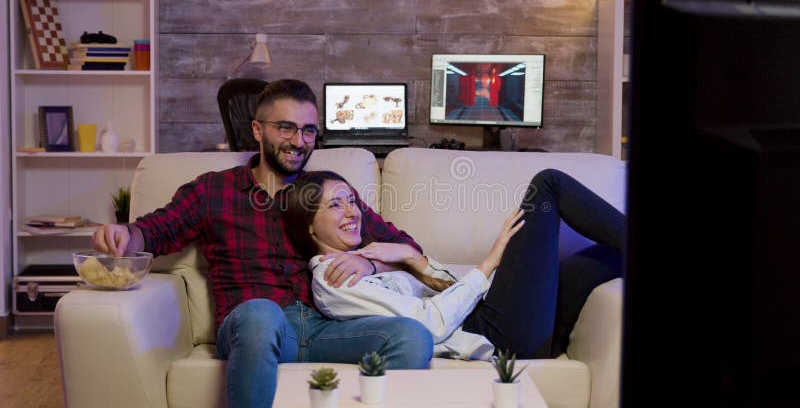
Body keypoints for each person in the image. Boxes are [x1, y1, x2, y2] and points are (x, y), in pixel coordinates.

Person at [90, 79, 433, 408]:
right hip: (252, 326)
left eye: (308, 130)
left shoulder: (326, 192)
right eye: (286, 127)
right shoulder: (213, 190)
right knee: (261, 314)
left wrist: (369, 262)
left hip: (326, 329)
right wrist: (124, 233)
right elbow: (155, 230)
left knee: (413, 338)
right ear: (257, 130)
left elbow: (406, 249)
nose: (299, 141)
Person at [282, 168, 625, 360]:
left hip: (497, 318)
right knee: (548, 184)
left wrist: (409, 258)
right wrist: (491, 260)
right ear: (309, 225)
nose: (351, 211)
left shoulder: (367, 258)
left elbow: (446, 287)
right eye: (335, 205)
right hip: (493, 334)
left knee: (609, 254)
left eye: (352, 200)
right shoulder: (333, 277)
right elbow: (429, 325)